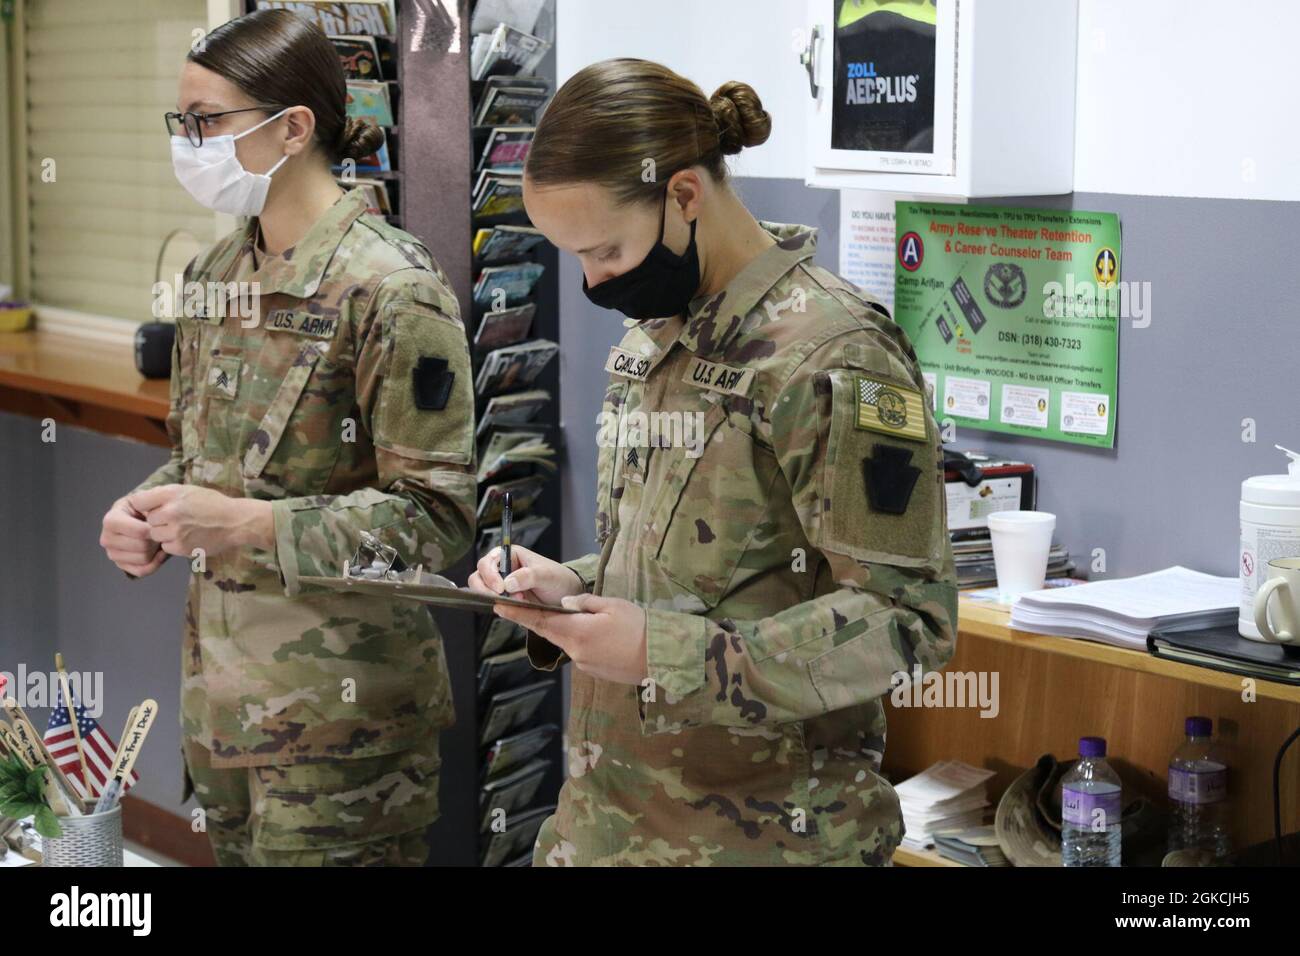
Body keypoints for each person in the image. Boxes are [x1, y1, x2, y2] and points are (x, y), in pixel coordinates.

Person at [469, 59, 958, 866]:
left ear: (685, 195)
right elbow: (700, 567)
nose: (593, 282)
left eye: (604, 249)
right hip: (607, 825)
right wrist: (577, 586)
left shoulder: (833, 357)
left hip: (762, 840)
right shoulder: (656, 332)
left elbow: (909, 619)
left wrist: (659, 653)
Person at [97, 9, 476, 866]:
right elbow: (204, 464)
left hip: (345, 737)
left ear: (294, 127)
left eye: (207, 123)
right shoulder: (215, 274)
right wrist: (144, 508)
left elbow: (438, 520)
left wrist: (243, 526)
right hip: (223, 710)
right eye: (180, 123)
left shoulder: (391, 289)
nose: (187, 143)